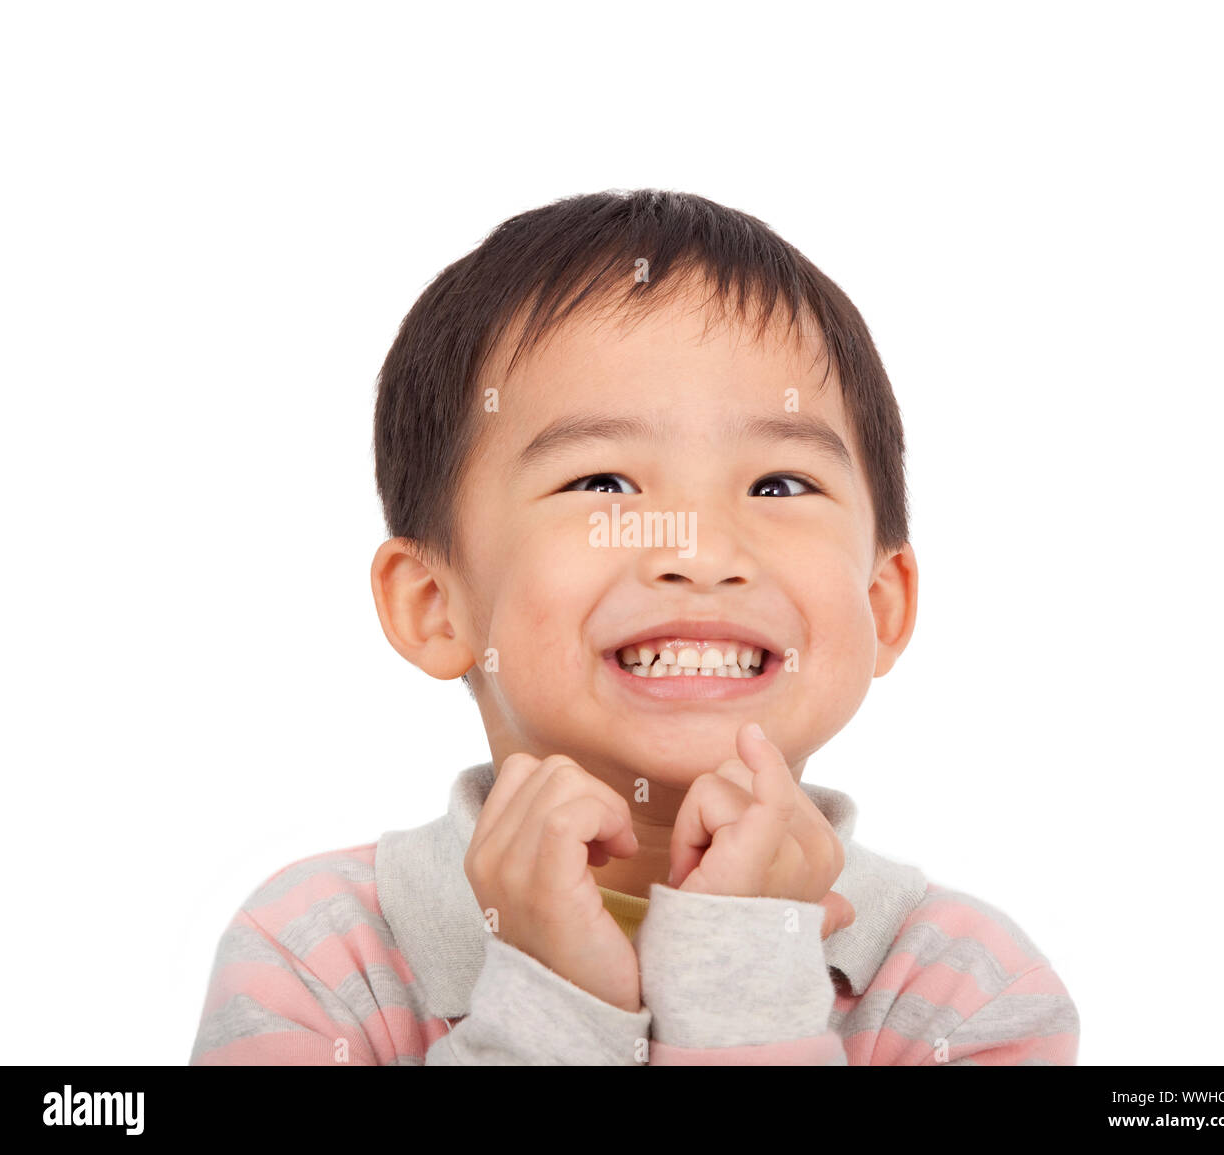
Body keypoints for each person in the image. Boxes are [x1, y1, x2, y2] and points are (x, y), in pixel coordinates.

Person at [190, 189, 1079, 1065]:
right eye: (603, 484)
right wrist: (548, 1004)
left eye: (779, 485)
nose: (696, 549)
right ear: (434, 604)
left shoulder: (970, 995)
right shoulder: (318, 960)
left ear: (884, 604)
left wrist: (745, 990)